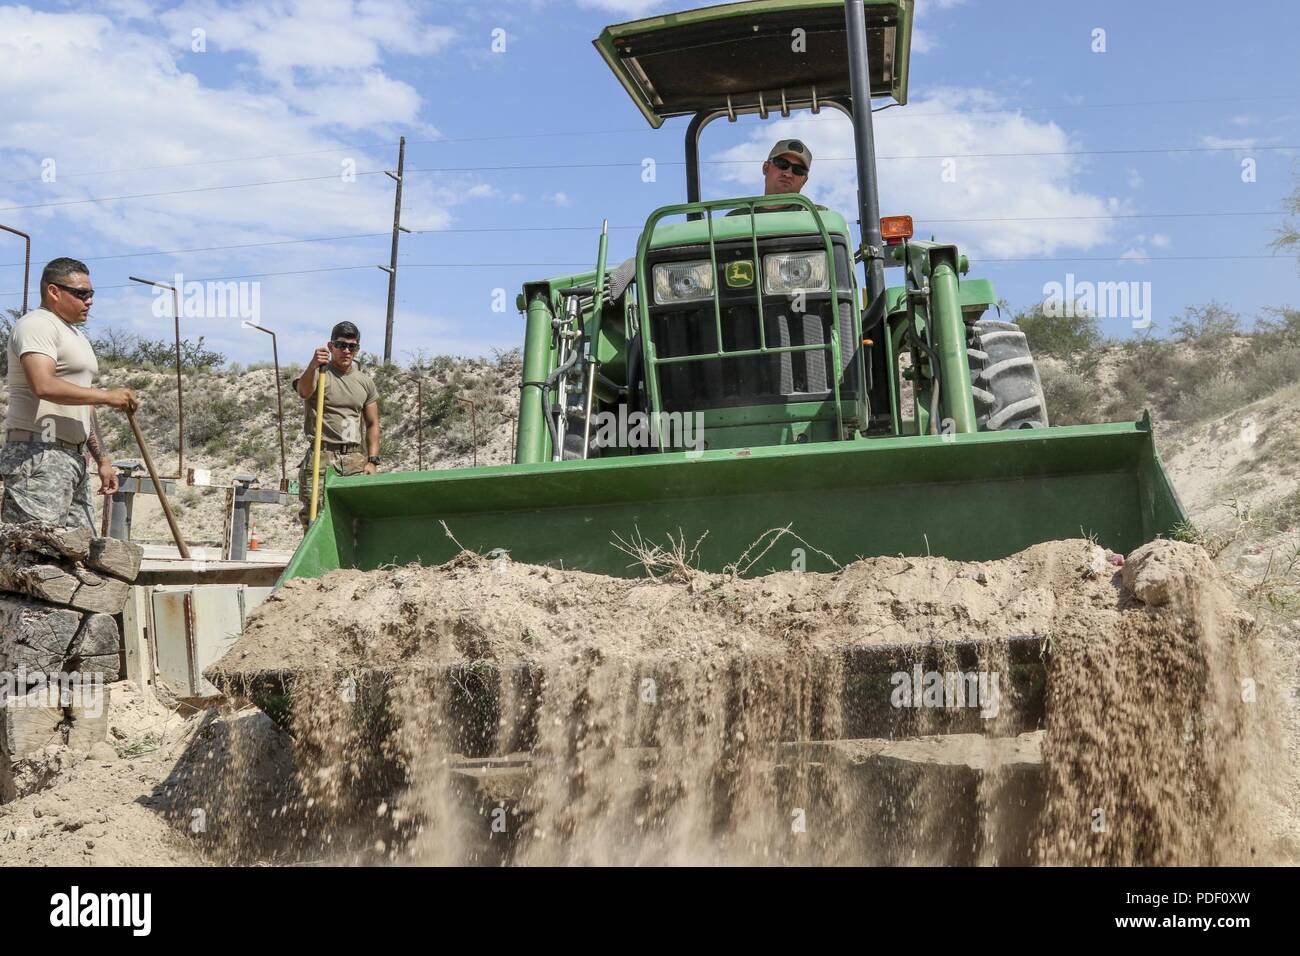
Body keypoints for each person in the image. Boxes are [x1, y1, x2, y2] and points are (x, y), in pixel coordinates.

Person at [0, 258, 136, 531]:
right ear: (53, 291)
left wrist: (103, 460)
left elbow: (83, 402)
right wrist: (106, 396)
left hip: (72, 458)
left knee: (80, 552)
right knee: (37, 554)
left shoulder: (75, 335)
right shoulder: (37, 325)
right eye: (81, 293)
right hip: (38, 455)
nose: (89, 301)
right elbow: (44, 385)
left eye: (91, 294)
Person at [292, 321, 380, 529]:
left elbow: (373, 423)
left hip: (354, 459)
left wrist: (373, 461)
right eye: (341, 345)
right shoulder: (319, 374)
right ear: (330, 346)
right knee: (317, 519)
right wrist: (313, 365)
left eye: (352, 346)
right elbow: (304, 392)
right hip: (321, 457)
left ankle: (349, 562)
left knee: (355, 519)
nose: (347, 351)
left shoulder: (365, 382)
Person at [728, 138, 817, 215]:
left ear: (804, 181)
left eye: (799, 170)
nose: (788, 174)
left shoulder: (819, 217)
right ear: (765, 168)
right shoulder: (736, 219)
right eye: (782, 163)